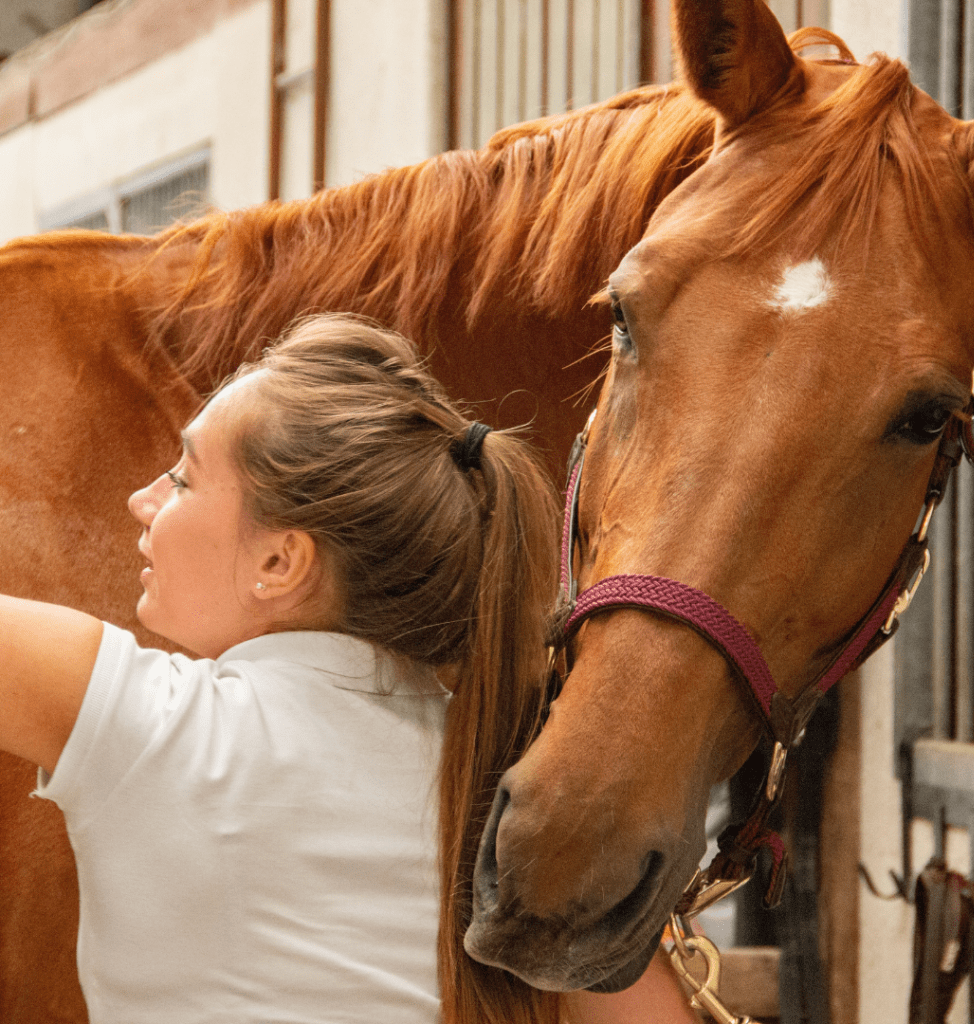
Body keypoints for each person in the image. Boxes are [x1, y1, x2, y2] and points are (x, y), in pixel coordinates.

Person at [1, 312, 697, 1023]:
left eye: (183, 479)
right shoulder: (499, 782)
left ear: (281, 562)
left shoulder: (153, 727)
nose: (142, 500)